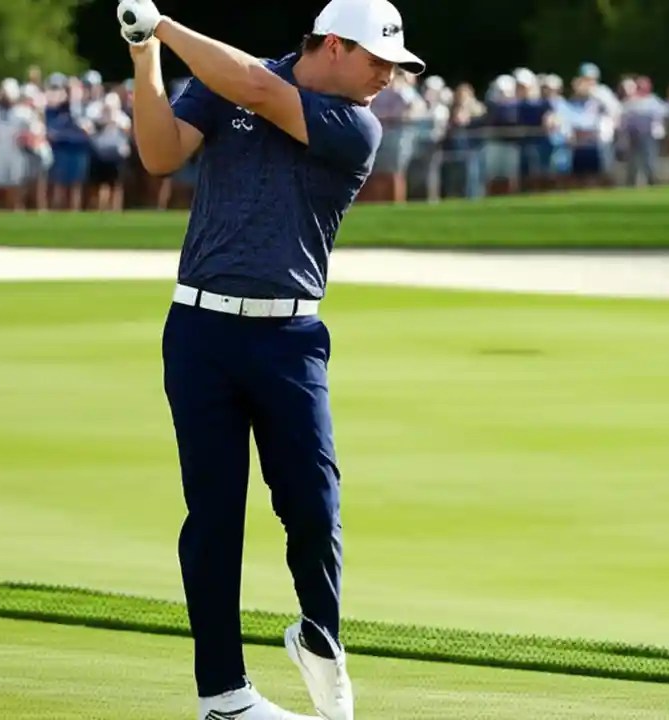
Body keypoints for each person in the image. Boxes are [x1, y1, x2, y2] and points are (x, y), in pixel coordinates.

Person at [114, 0, 424, 718]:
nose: (387, 77)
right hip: (200, 329)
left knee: (314, 506)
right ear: (336, 46)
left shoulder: (355, 125)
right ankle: (223, 695)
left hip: (289, 339)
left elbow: (255, 88)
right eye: (379, 60)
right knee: (214, 518)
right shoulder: (227, 77)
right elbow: (161, 154)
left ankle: (321, 638)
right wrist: (142, 55)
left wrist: (163, 25)